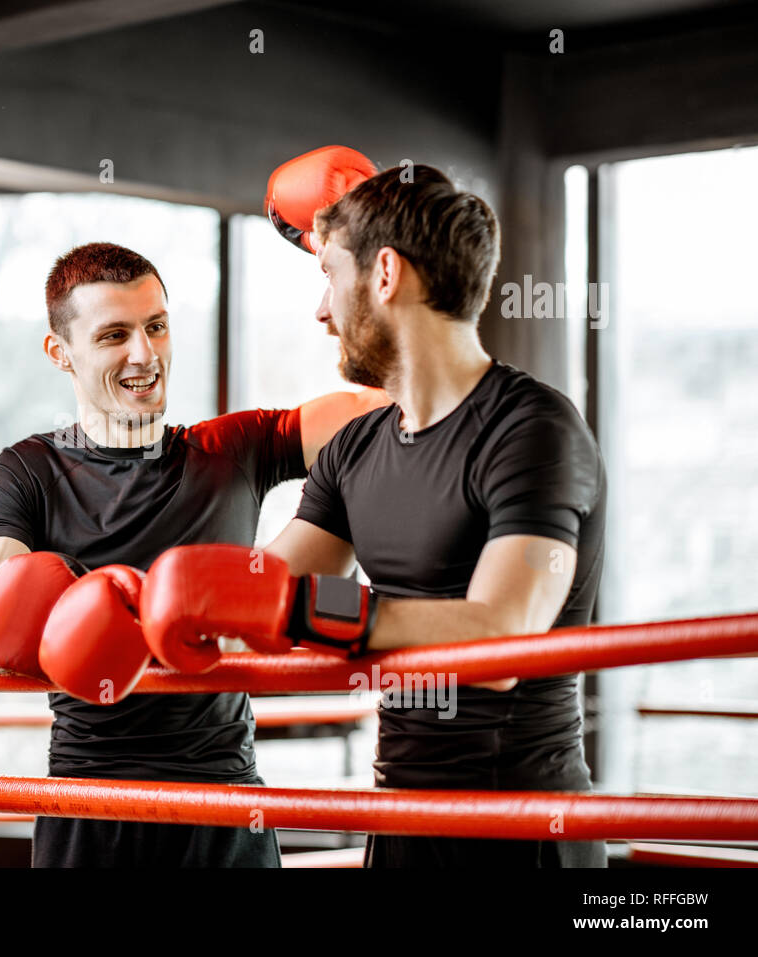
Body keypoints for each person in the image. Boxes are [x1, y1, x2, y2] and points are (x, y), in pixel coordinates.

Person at [141, 156, 609, 868]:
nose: (321, 309)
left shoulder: (533, 429)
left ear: (384, 274)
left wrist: (313, 611)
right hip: (397, 822)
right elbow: (265, 589)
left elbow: (501, 639)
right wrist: (130, 603)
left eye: (330, 274)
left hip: (523, 826)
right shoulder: (357, 448)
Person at [0, 238, 388, 867]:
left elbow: (377, 411)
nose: (144, 354)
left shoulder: (233, 449)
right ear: (60, 352)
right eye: (113, 335)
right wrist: (23, 623)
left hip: (224, 799)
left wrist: (363, 250)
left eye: (156, 326)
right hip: (91, 804)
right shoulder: (29, 472)